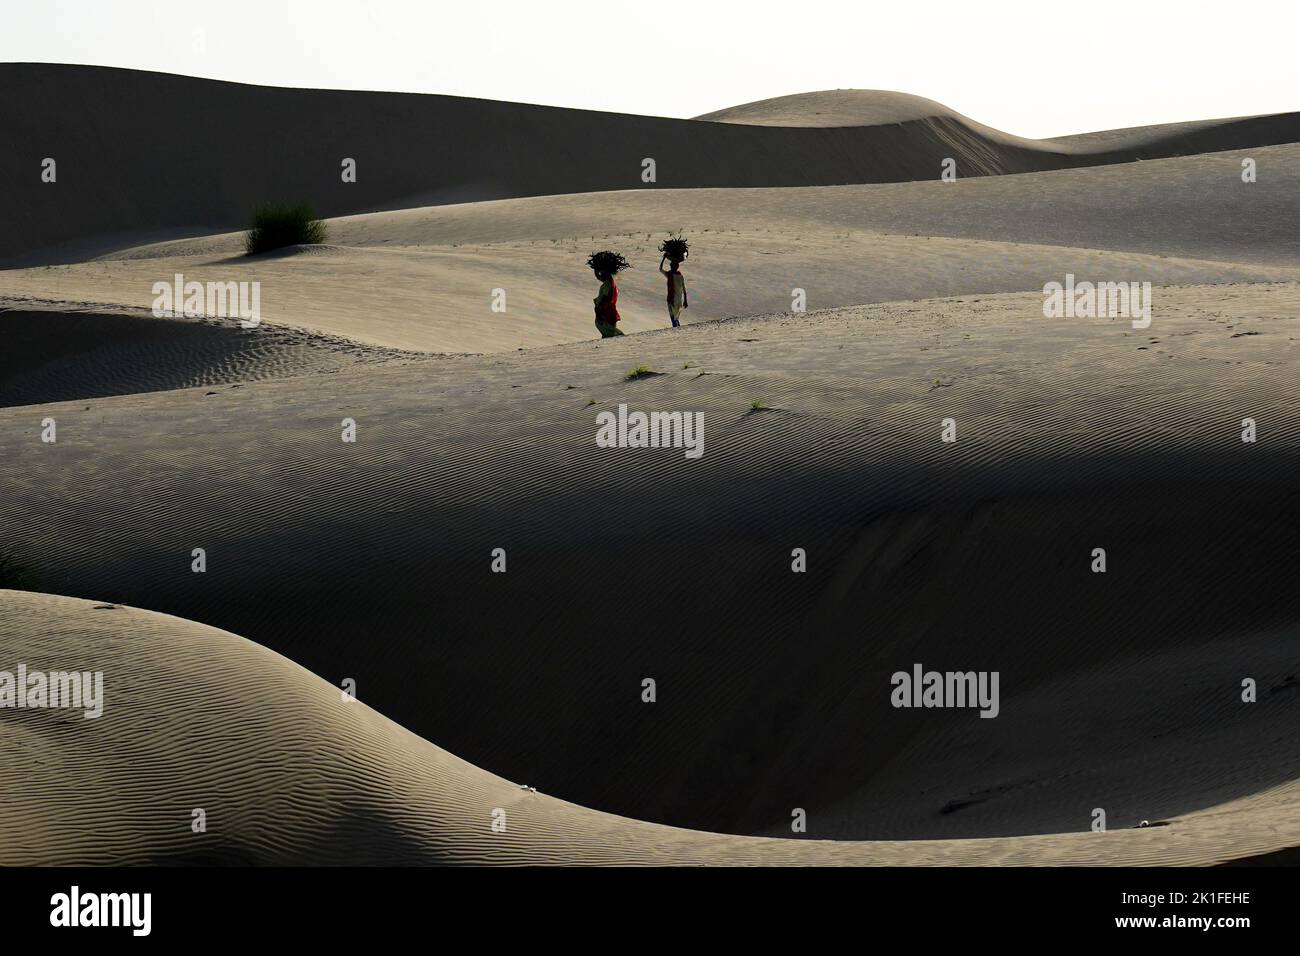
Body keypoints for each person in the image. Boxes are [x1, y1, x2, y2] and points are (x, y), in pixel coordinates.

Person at [587, 251, 630, 338]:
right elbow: (599, 277)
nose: (600, 274)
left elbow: (605, 297)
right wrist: (596, 270)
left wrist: (600, 307)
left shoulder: (608, 283)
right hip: (608, 311)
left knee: (610, 333)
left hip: (606, 312)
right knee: (608, 333)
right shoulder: (609, 281)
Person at [659, 253, 688, 328]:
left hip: (672, 299)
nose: (671, 267)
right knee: (676, 317)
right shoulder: (680, 275)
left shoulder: (670, 275)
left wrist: (664, 258)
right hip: (679, 299)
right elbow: (684, 288)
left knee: (673, 316)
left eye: (671, 266)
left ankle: (676, 330)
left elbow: (660, 269)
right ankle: (677, 329)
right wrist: (685, 300)